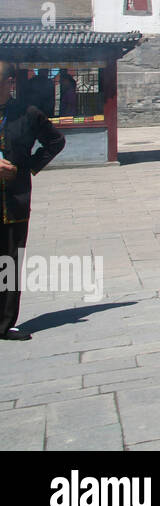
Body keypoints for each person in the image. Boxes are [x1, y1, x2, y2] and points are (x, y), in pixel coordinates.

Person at [0, 60, 66, 340]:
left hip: (13, 201)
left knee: (8, 263)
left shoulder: (27, 115)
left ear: (9, 84)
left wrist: (27, 167)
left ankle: (4, 323)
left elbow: (55, 141)